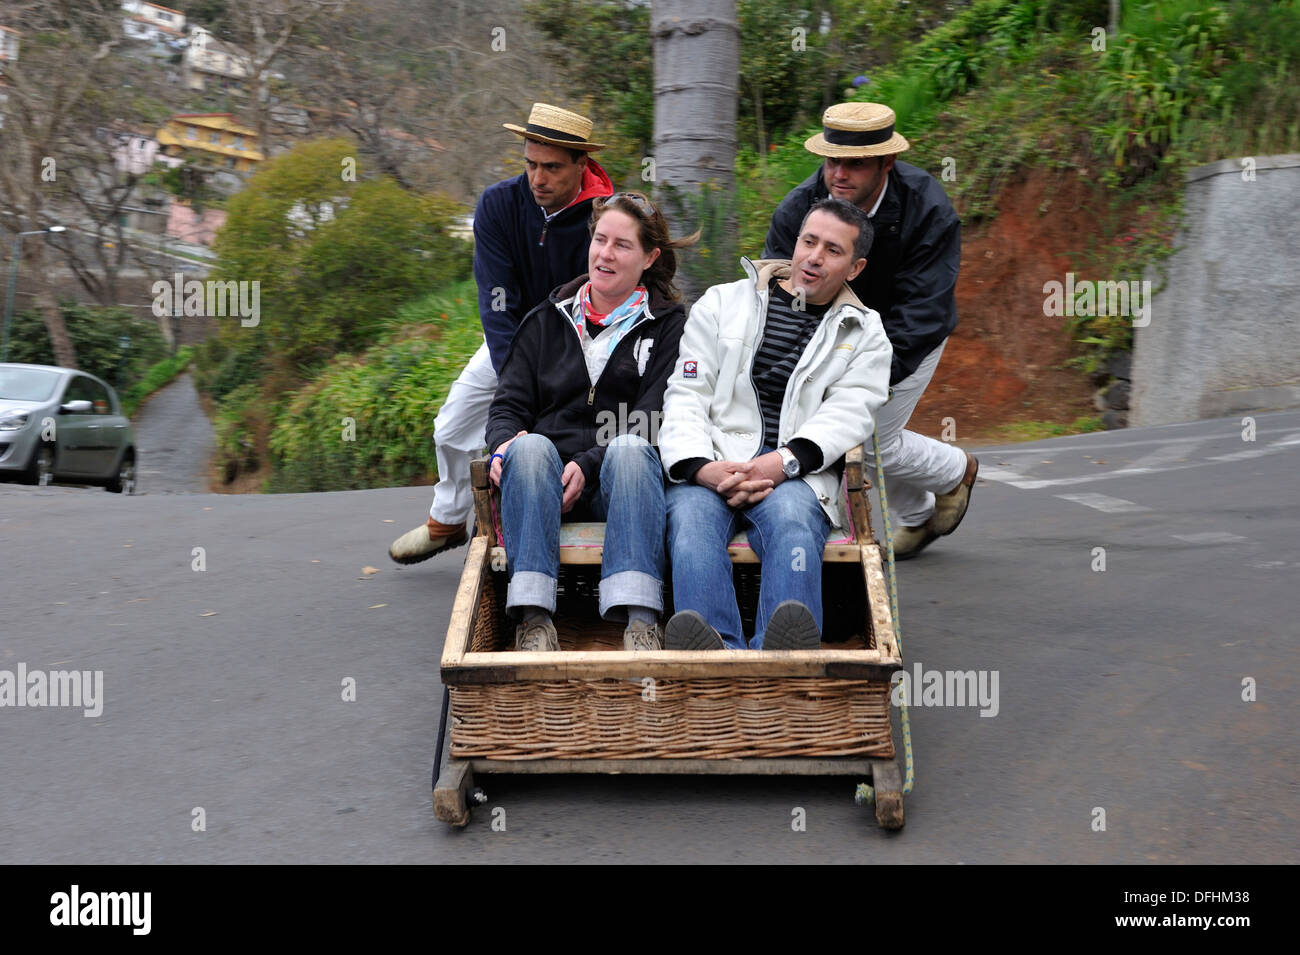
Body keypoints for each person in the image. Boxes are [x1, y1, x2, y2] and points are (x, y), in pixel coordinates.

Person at [658, 198, 892, 650]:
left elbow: (850, 412)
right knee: (690, 520)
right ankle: (717, 653)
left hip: (796, 475)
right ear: (796, 240)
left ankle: (784, 656)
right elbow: (687, 394)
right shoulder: (723, 303)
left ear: (855, 267)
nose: (814, 257)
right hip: (712, 464)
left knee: (792, 521)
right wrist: (701, 467)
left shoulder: (865, 333)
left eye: (832, 250)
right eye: (809, 241)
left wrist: (779, 464)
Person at [388, 104, 614, 564]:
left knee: (563, 436)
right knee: (451, 426)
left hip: (590, 347)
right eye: (531, 164)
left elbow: (606, 302)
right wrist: (520, 381)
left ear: (581, 164)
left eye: (552, 167)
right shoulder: (498, 204)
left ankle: (557, 521)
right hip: (511, 341)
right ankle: (447, 521)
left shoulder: (605, 217)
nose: (538, 178)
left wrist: (554, 385)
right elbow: (496, 300)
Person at [763, 102, 978, 560]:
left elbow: (922, 309)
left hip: (908, 332)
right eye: (832, 160)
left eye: (855, 163)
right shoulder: (798, 209)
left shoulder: (929, 209)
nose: (839, 173)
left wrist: (864, 378)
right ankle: (918, 519)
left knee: (865, 437)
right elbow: (778, 295)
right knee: (841, 432)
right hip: (829, 336)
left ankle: (953, 472)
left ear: (887, 162)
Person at [486, 193, 696, 651]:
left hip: (617, 485)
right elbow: (508, 405)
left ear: (649, 257)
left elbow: (654, 416)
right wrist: (503, 445)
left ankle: (641, 623)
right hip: (540, 482)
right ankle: (534, 622)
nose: (605, 253)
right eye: (600, 239)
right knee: (529, 447)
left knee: (629, 448)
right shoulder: (546, 320)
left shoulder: (670, 328)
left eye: (622, 245)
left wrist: (588, 463)